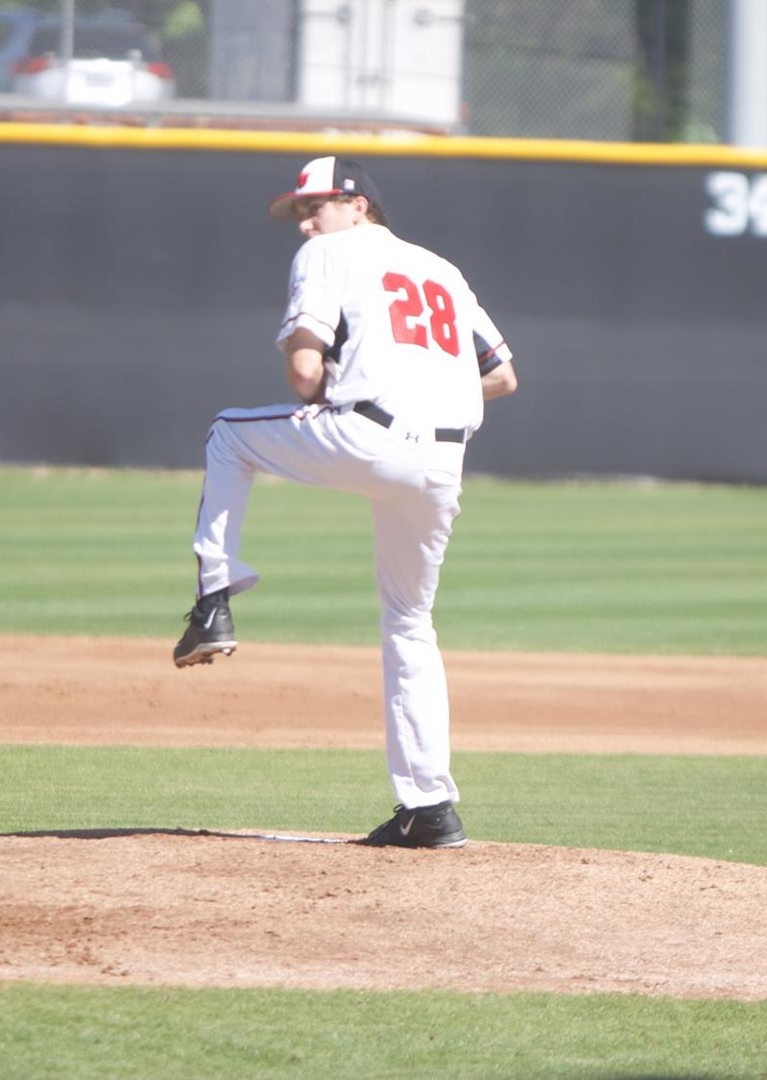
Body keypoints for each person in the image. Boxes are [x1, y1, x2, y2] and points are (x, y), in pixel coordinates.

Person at [173, 156, 519, 848]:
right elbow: (503, 376)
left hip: (369, 432)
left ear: (359, 207)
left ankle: (213, 599)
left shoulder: (329, 252)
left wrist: (348, 382)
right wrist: (425, 392)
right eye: (302, 214)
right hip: (442, 461)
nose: (306, 223)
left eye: (317, 206)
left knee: (228, 434)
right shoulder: (441, 268)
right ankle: (430, 808)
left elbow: (305, 377)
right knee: (410, 621)